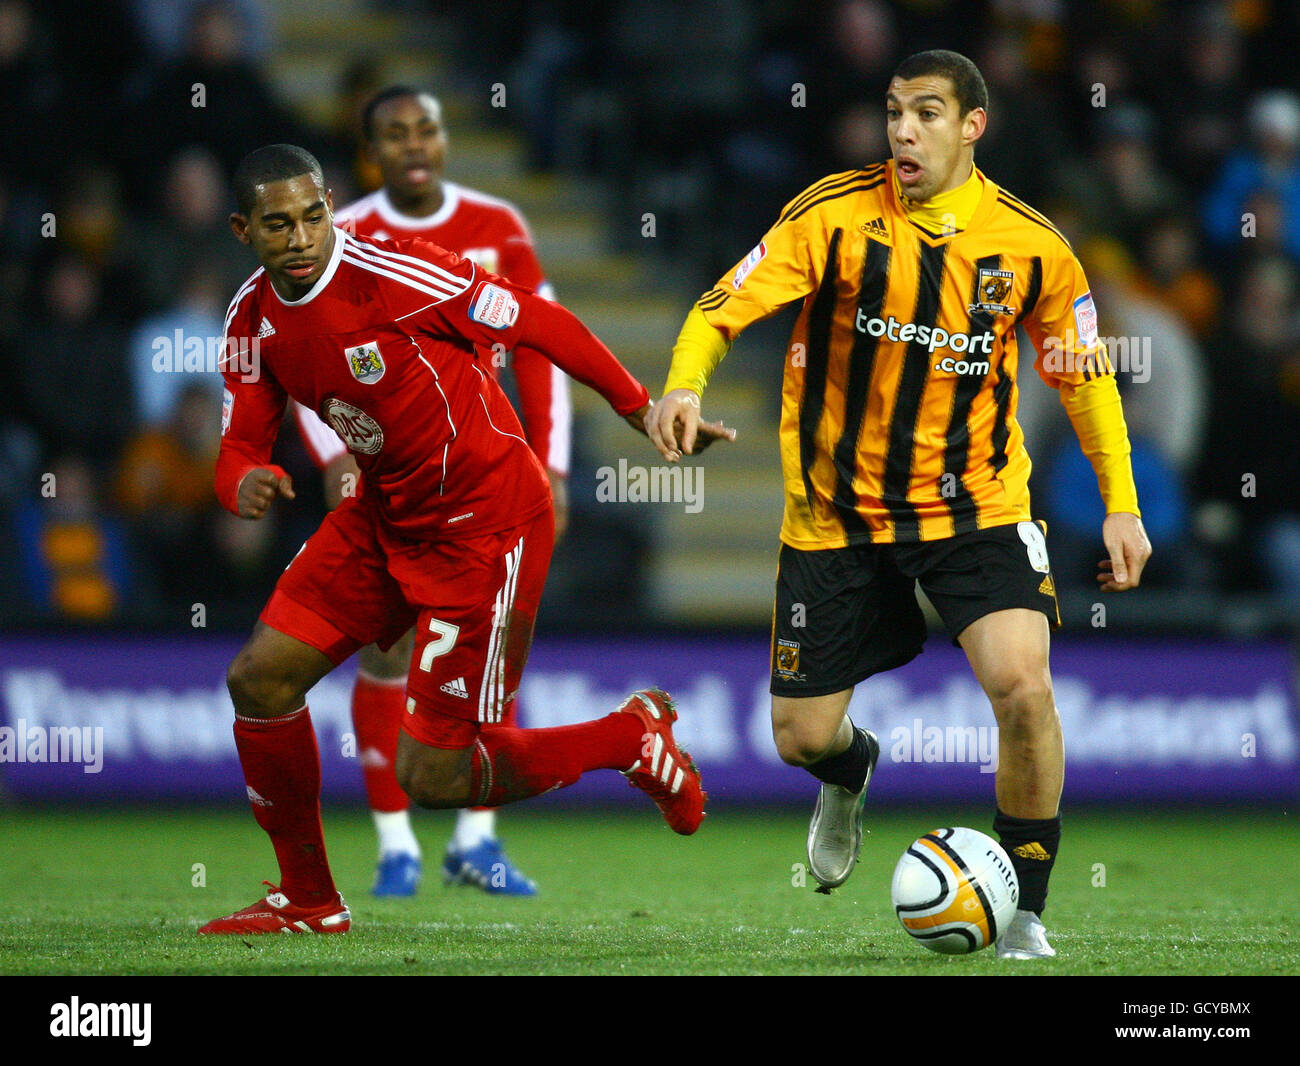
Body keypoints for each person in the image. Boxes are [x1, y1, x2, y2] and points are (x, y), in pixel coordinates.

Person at [647, 50, 1151, 959]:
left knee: (1025, 689)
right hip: (837, 514)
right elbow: (720, 308)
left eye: (926, 112)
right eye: (893, 111)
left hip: (976, 507)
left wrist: (1122, 502)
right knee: (801, 738)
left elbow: (1086, 380)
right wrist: (684, 385)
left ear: (972, 126)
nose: (903, 130)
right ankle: (852, 771)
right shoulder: (832, 214)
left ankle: (1026, 909)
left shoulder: (1033, 245)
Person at [200, 144, 723, 935]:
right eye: (279, 225)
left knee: (434, 776)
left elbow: (540, 321)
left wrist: (637, 406)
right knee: (259, 681)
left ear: (331, 203)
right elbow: (243, 440)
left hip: (486, 524)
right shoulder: (250, 317)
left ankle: (628, 736)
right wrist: (238, 480)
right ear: (244, 229)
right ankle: (308, 898)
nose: (303, 236)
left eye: (314, 215)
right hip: (383, 517)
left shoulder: (398, 274)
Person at [294, 87, 572, 898]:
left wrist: (550, 456)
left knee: (491, 654)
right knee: (385, 652)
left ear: (446, 140)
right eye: (393, 135)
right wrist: (330, 455)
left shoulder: (499, 225)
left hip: (488, 472)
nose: (413, 147)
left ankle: (477, 842)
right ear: (370, 151)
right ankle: (394, 845)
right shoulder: (346, 237)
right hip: (387, 474)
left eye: (426, 131)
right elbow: (307, 361)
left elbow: (539, 344)